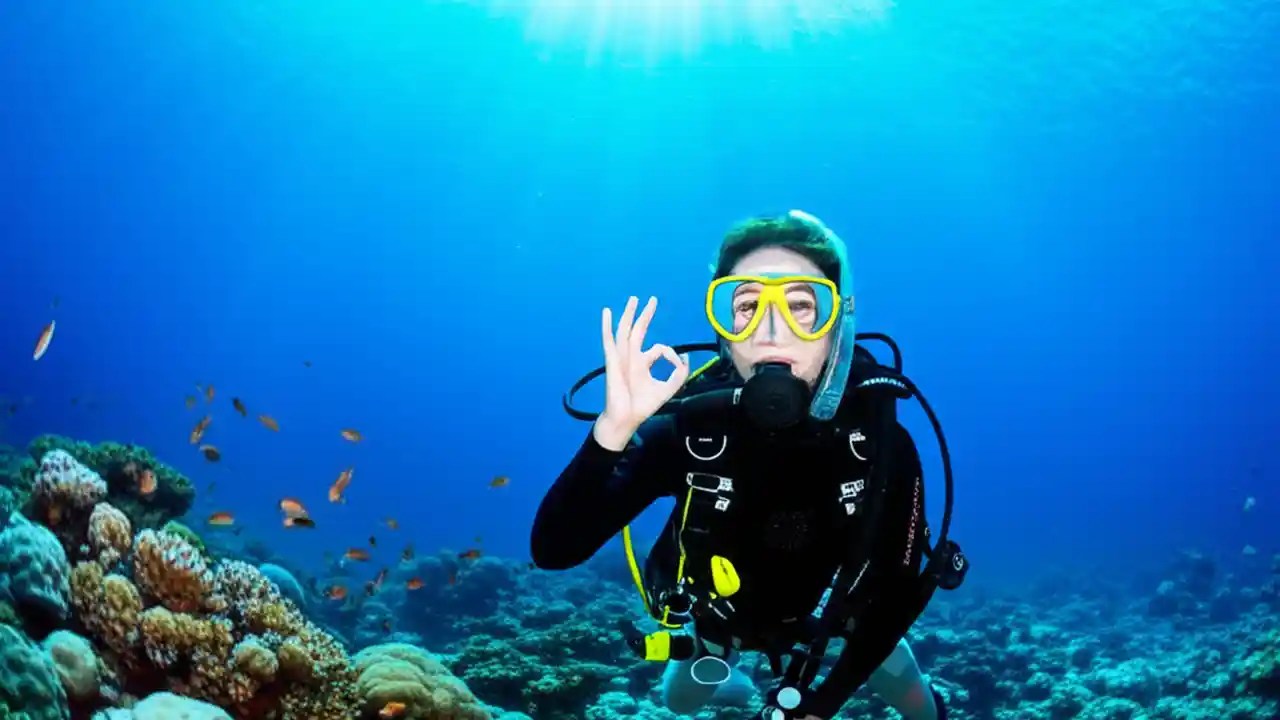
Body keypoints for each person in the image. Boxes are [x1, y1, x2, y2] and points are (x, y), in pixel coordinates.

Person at [531, 210, 968, 720]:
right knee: (679, 698)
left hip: (842, 622)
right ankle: (733, 679)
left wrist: (821, 704)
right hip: (721, 625)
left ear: (838, 326)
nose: (772, 331)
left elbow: (898, 591)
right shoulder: (690, 431)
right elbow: (554, 550)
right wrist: (611, 431)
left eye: (803, 305)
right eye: (746, 305)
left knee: (918, 704)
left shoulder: (879, 442)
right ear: (724, 329)